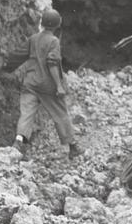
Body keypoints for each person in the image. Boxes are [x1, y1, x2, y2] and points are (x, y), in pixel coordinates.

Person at [11, 8, 83, 158]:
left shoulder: (33, 38)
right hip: (47, 85)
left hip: (30, 82)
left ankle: (18, 142)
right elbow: (52, 63)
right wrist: (58, 85)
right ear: (57, 25)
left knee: (27, 113)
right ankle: (73, 147)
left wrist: (5, 68)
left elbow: (19, 55)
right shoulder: (54, 41)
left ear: (42, 23)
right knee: (60, 113)